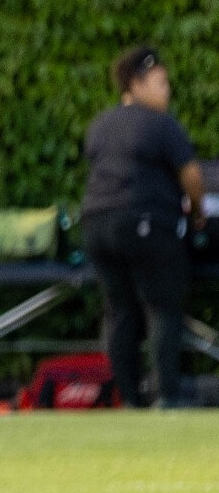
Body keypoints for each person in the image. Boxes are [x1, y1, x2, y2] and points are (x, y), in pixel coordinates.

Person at [82, 46, 207, 407]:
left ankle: (132, 400)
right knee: (163, 307)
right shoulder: (161, 125)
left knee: (119, 311)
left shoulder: (100, 125)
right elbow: (192, 174)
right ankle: (167, 397)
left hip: (96, 224)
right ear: (136, 84)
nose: (167, 91)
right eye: (161, 82)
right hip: (146, 222)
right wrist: (196, 211)